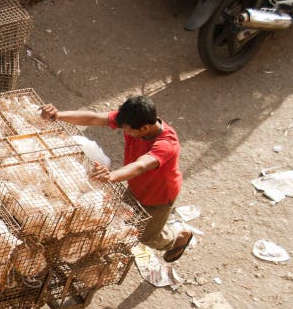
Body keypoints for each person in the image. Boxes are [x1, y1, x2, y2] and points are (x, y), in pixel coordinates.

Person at [41, 95, 193, 262]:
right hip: (136, 186)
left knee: (146, 237)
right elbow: (94, 118)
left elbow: (141, 165)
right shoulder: (134, 120)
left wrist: (111, 176)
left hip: (158, 197)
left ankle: (177, 238)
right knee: (124, 217)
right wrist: (58, 115)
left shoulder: (166, 144)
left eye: (128, 130)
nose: (125, 132)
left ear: (144, 129)